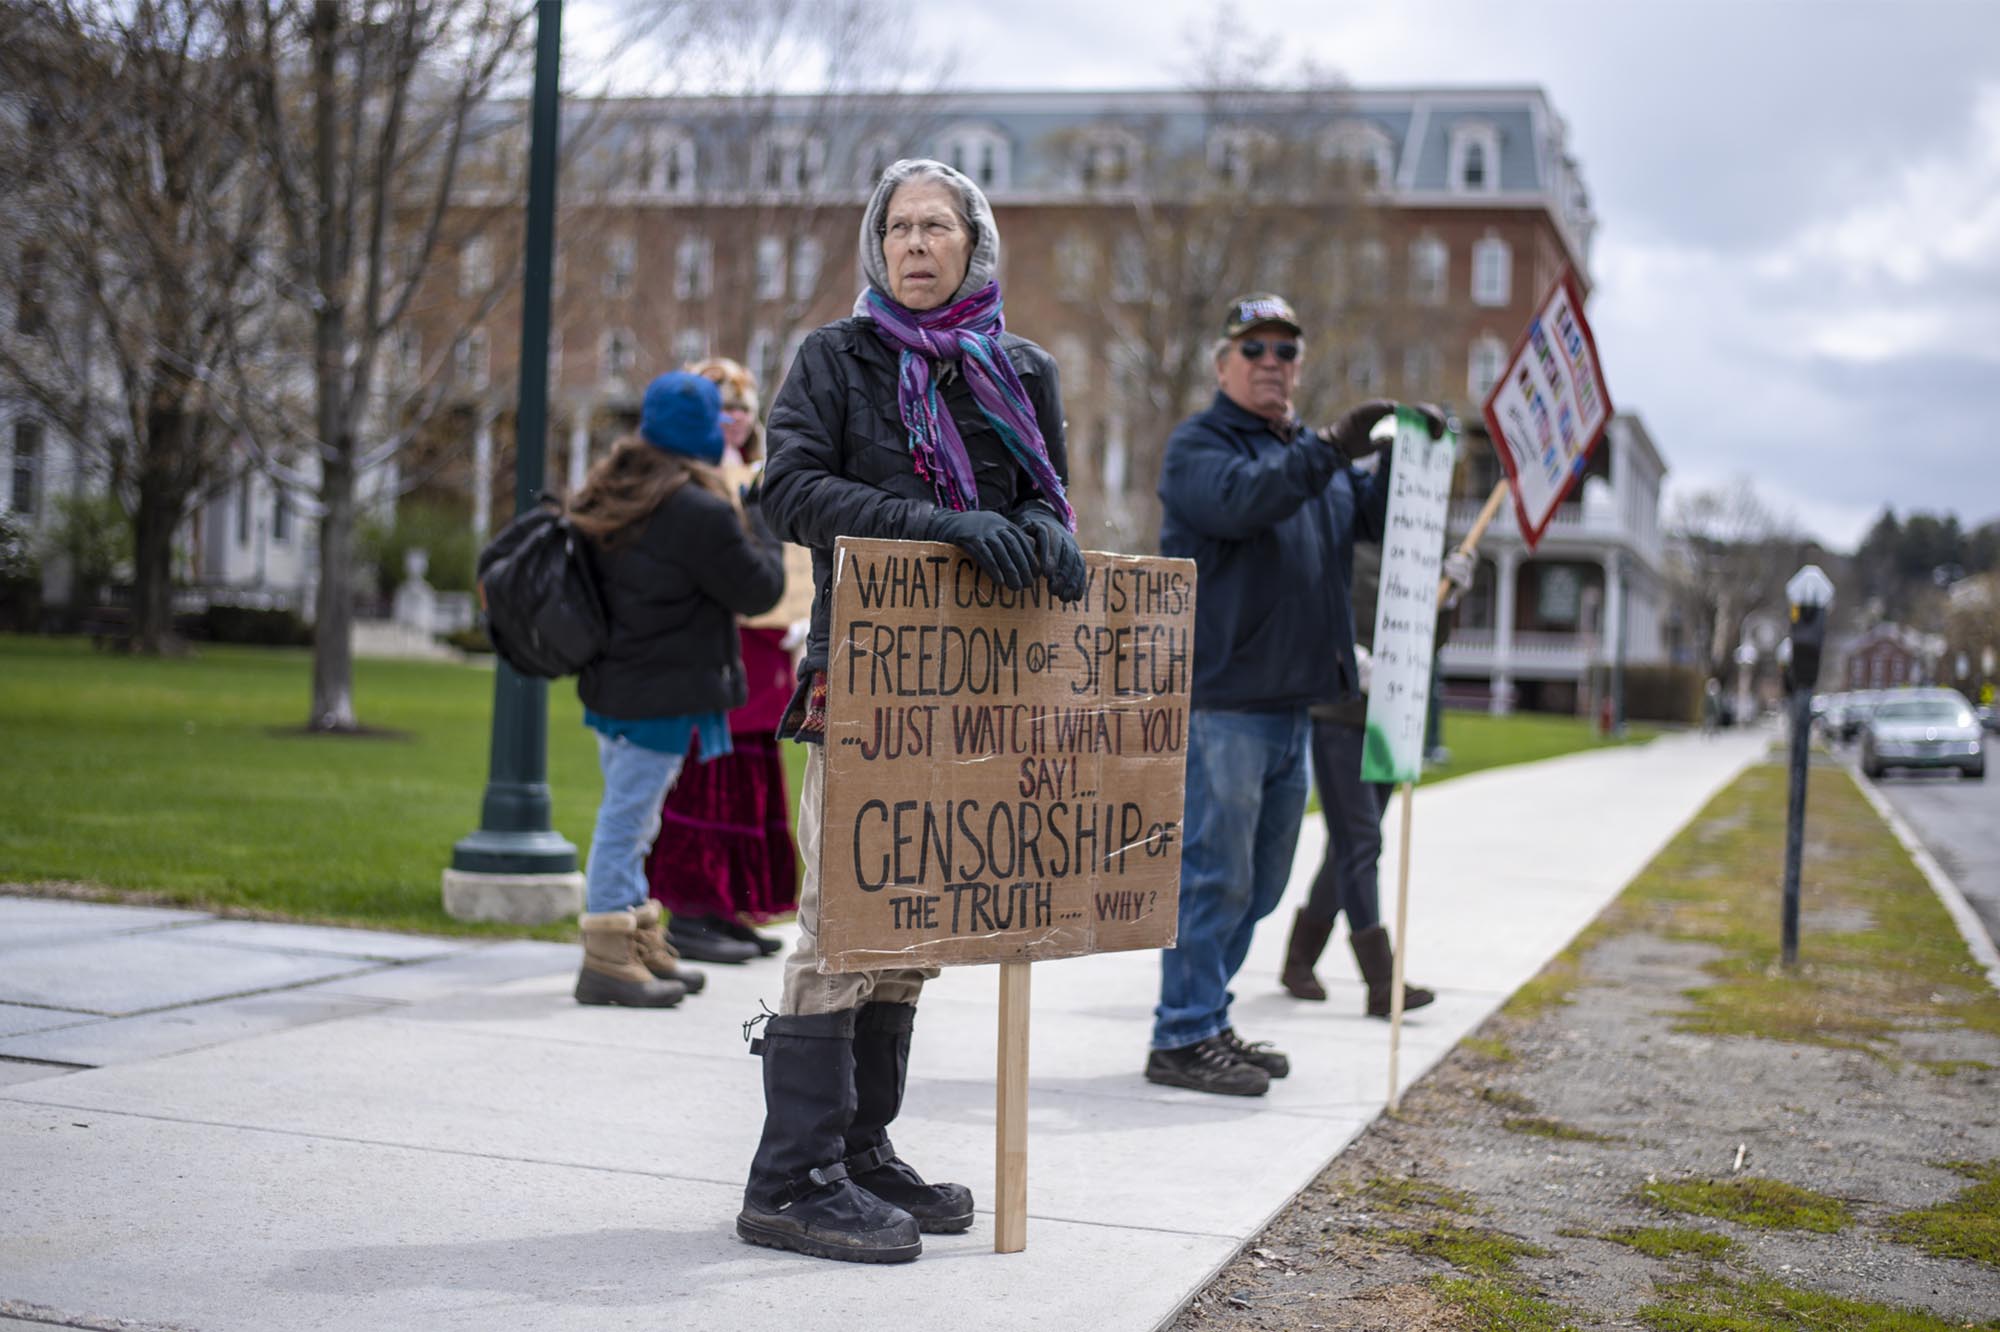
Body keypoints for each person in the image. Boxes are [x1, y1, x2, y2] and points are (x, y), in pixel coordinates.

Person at [738, 158, 1085, 1263]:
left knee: (910, 928)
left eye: (939, 226)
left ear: (974, 245)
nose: (917, 244)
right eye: (898, 228)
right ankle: (790, 1179)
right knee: (842, 919)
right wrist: (933, 525)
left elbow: (1043, 496)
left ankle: (857, 1145)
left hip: (977, 693)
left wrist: (1047, 538)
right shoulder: (834, 360)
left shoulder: (1020, 368)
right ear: (874, 247)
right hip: (866, 683)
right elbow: (784, 491)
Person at [1150, 291, 1443, 1097]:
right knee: (1214, 874)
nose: (1274, 364)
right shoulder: (1200, 447)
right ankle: (1180, 1034)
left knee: (1263, 881)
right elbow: (1248, 501)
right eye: (1256, 349)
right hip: (1224, 705)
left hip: (1294, 707)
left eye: (1287, 351)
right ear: (1223, 364)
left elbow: (1373, 517)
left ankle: (1207, 1018)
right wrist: (1336, 446)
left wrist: (1414, 457)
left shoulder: (1316, 463)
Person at [568, 371, 786, 1009]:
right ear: (699, 435)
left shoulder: (619, 491)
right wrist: (761, 519)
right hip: (661, 694)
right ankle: (607, 956)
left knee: (635, 818)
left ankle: (635, 940)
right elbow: (759, 589)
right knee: (628, 821)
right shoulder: (695, 510)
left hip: (613, 688)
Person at [645, 357, 803, 966]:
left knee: (750, 781)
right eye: (722, 406)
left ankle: (732, 906)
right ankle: (691, 909)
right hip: (716, 645)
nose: (735, 417)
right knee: (707, 778)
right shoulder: (692, 481)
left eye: (742, 406)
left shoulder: (763, 476)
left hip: (765, 645)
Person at [1280, 541, 1473, 1013]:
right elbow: (1311, 605)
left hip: (1392, 714)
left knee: (1351, 844)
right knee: (1361, 841)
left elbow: (1428, 638)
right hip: (1339, 707)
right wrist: (1344, 655)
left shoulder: (1415, 542)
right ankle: (1382, 982)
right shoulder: (1345, 534)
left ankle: (1300, 959)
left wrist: (1447, 597)